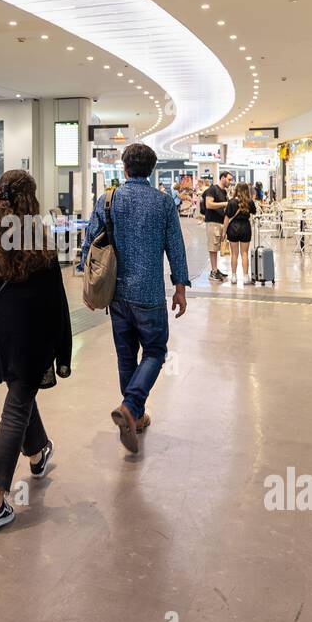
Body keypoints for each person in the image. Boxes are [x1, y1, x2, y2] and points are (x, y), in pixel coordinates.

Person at [0, 170, 71, 530]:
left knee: (20, 396)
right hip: (31, 336)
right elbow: (56, 300)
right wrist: (63, 348)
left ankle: (37, 454)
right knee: (15, 409)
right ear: (31, 198)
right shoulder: (40, 238)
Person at [79, 142, 189, 453]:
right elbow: (176, 247)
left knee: (126, 356)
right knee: (154, 352)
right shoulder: (164, 203)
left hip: (117, 294)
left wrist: (88, 285)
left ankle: (135, 416)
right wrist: (180, 287)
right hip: (150, 293)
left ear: (124, 168)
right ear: (151, 171)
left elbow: (89, 244)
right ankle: (131, 407)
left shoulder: (109, 200)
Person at [224, 182, 258, 285]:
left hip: (233, 228)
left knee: (234, 254)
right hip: (245, 228)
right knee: (244, 253)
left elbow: (226, 218)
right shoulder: (250, 202)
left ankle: (234, 277)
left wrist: (224, 232)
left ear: (236, 190)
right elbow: (254, 212)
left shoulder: (231, 202)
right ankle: (245, 277)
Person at [201, 171, 232, 280]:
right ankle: (213, 271)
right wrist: (224, 204)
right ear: (222, 178)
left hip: (220, 222)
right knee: (213, 247)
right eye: (229, 179)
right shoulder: (212, 189)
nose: (230, 182)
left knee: (217, 247)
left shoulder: (224, 192)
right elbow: (208, 204)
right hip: (213, 222)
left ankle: (216, 269)